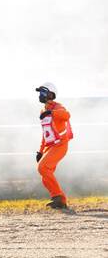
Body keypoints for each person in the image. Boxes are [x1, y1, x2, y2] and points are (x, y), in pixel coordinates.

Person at [35, 82, 73, 211]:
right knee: (45, 174)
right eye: (40, 93)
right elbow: (46, 133)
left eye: (43, 92)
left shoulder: (58, 107)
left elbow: (67, 115)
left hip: (60, 145)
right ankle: (60, 200)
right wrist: (40, 151)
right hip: (50, 146)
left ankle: (58, 197)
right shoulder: (43, 110)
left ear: (51, 94)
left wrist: (52, 113)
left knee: (42, 168)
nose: (40, 95)